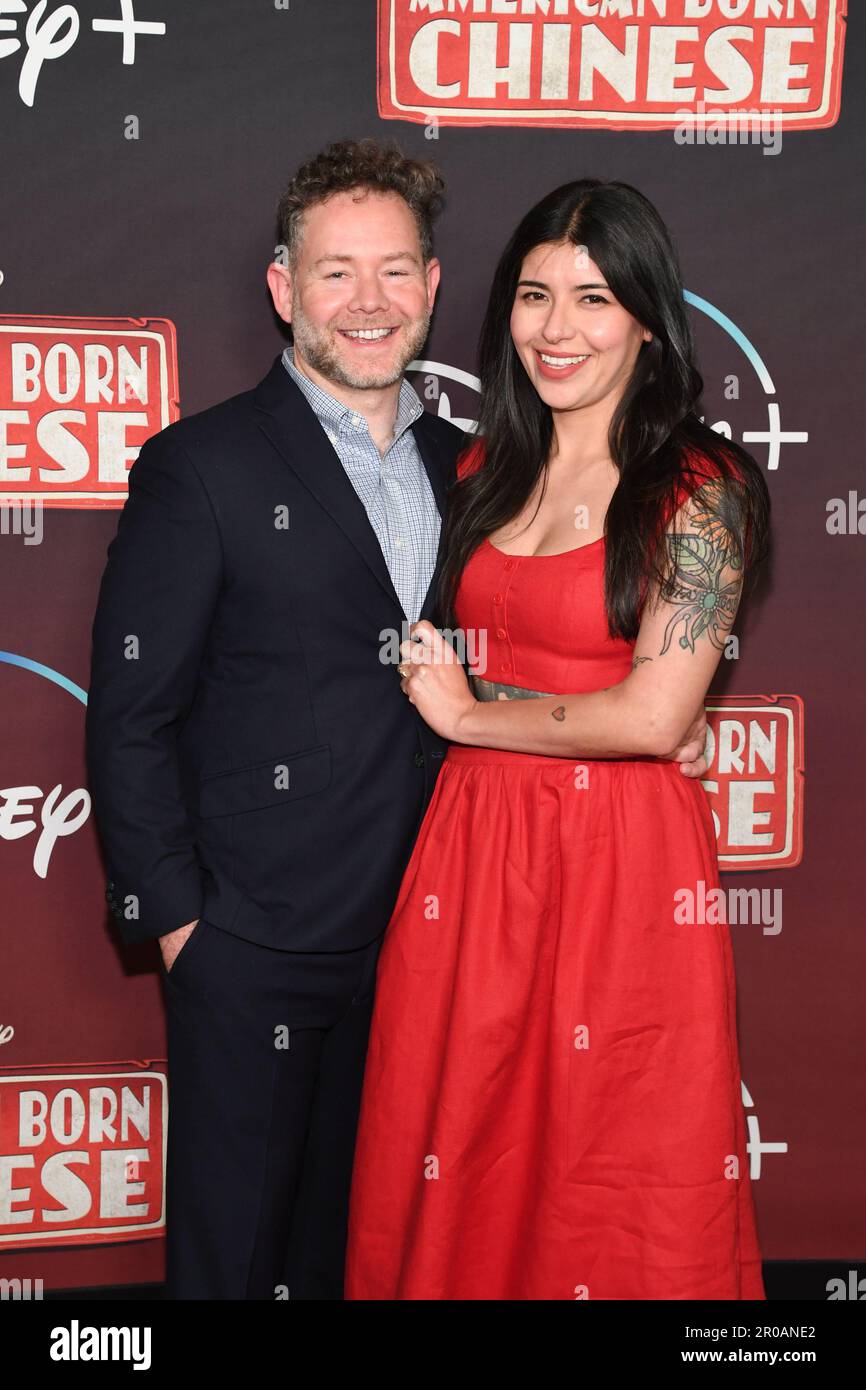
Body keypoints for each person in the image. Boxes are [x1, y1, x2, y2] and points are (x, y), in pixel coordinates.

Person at [345, 178, 771, 1300]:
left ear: (643, 317)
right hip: (473, 854)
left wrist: (470, 717)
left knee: (607, 1155)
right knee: (464, 1141)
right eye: (534, 295)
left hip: (621, 870)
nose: (555, 327)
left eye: (590, 298)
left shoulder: (702, 484)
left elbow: (651, 713)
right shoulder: (484, 470)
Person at [85, 138, 463, 1299]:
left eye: (394, 271)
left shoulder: (471, 465)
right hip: (253, 942)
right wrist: (183, 928)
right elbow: (131, 707)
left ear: (432, 287)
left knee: (363, 1254)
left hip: (426, 936)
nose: (367, 302)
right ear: (282, 286)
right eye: (335, 270)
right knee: (237, 1259)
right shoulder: (200, 468)